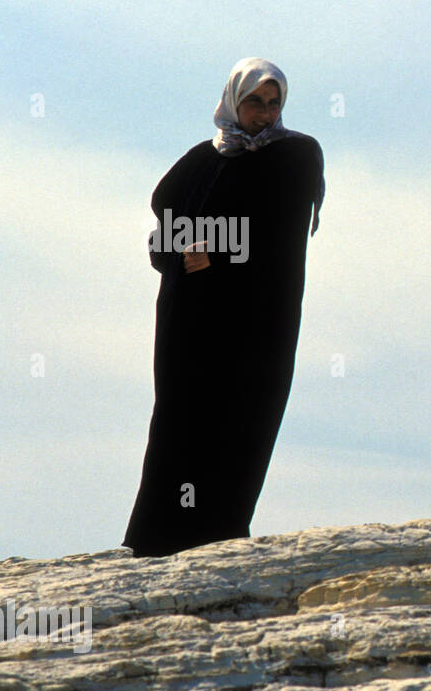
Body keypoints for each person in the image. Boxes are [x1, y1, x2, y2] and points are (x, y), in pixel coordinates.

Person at [122, 57, 325, 558]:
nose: (264, 113)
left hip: (253, 321)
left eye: (273, 103)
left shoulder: (293, 155)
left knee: (240, 421)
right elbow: (160, 233)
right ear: (235, 100)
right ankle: (155, 539)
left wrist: (212, 248)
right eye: (255, 101)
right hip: (188, 320)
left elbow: (279, 233)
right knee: (179, 420)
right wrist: (182, 252)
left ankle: (220, 532)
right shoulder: (200, 160)